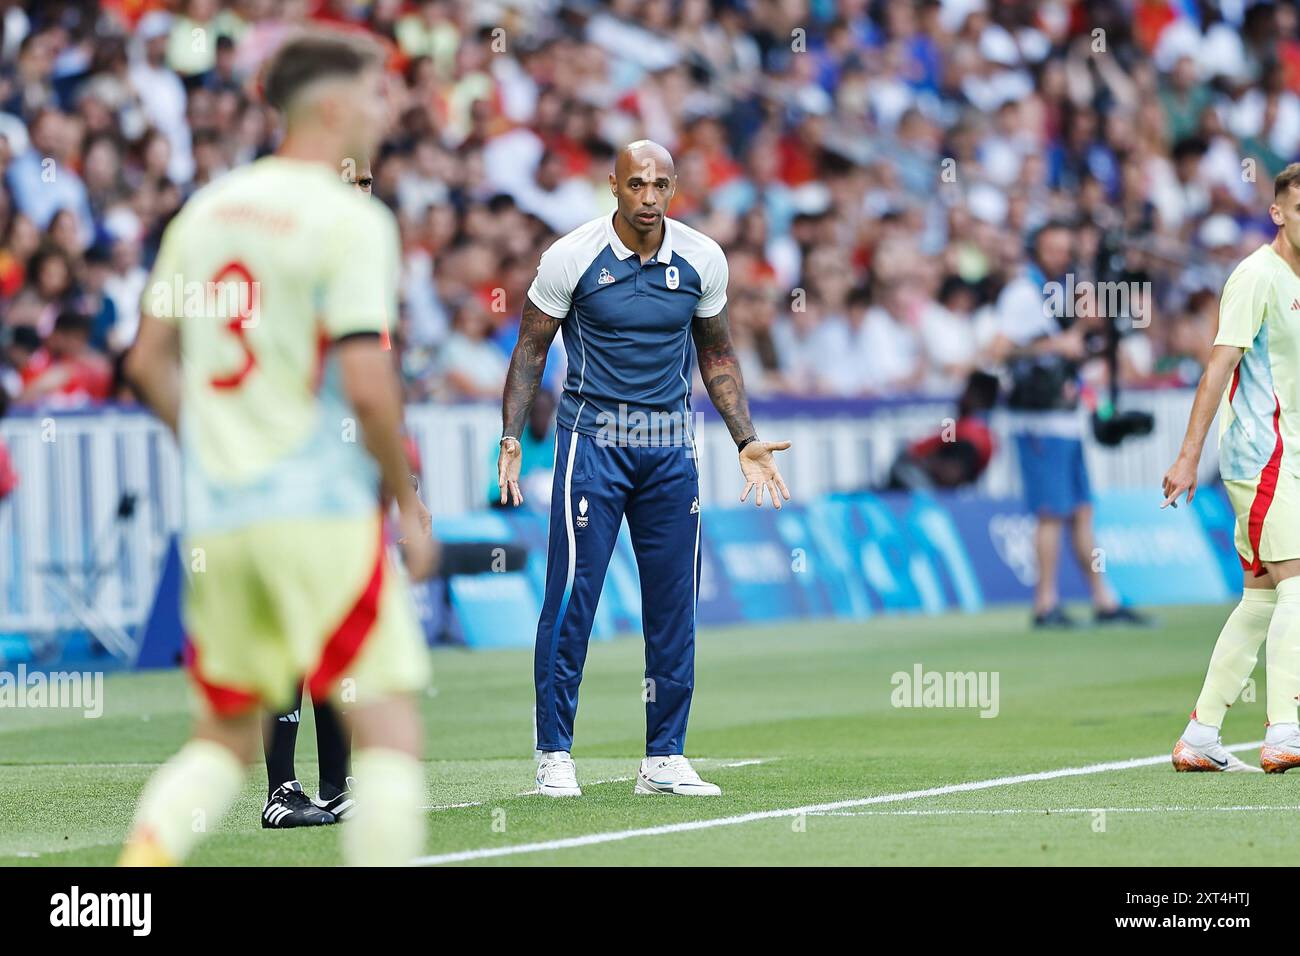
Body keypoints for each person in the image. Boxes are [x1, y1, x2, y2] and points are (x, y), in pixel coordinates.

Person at [118, 31, 435, 866]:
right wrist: (406, 501)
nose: (387, 111)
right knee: (391, 731)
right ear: (332, 107)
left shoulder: (207, 211)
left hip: (223, 518)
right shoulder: (351, 221)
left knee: (218, 741)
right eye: (375, 95)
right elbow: (368, 384)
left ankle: (130, 880)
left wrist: (218, 448)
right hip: (321, 511)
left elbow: (146, 362)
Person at [497, 140, 791, 798]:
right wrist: (512, 436)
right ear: (614, 186)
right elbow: (530, 350)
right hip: (590, 447)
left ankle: (663, 758)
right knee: (572, 598)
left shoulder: (701, 258)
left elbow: (717, 355)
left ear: (675, 188)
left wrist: (745, 437)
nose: (649, 197)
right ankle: (554, 753)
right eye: (637, 185)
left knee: (674, 607)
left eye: (660, 185)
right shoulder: (570, 257)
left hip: (669, 453)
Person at [1162, 162, 1300, 774]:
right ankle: (1285, 730)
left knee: (1261, 600)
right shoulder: (1255, 276)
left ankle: (1200, 735)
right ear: (1278, 212)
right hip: (1261, 456)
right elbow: (1218, 367)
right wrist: (1190, 455)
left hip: (1286, 453)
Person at [989, 222, 1144, 629]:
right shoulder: (1023, 293)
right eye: (1052, 249)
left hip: (1065, 415)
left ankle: (1102, 599)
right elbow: (998, 351)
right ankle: (1045, 603)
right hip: (1039, 419)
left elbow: (1089, 334)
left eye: (1064, 248)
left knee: (1080, 510)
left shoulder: (1060, 290)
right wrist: (1056, 345)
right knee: (1051, 513)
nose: (1059, 256)